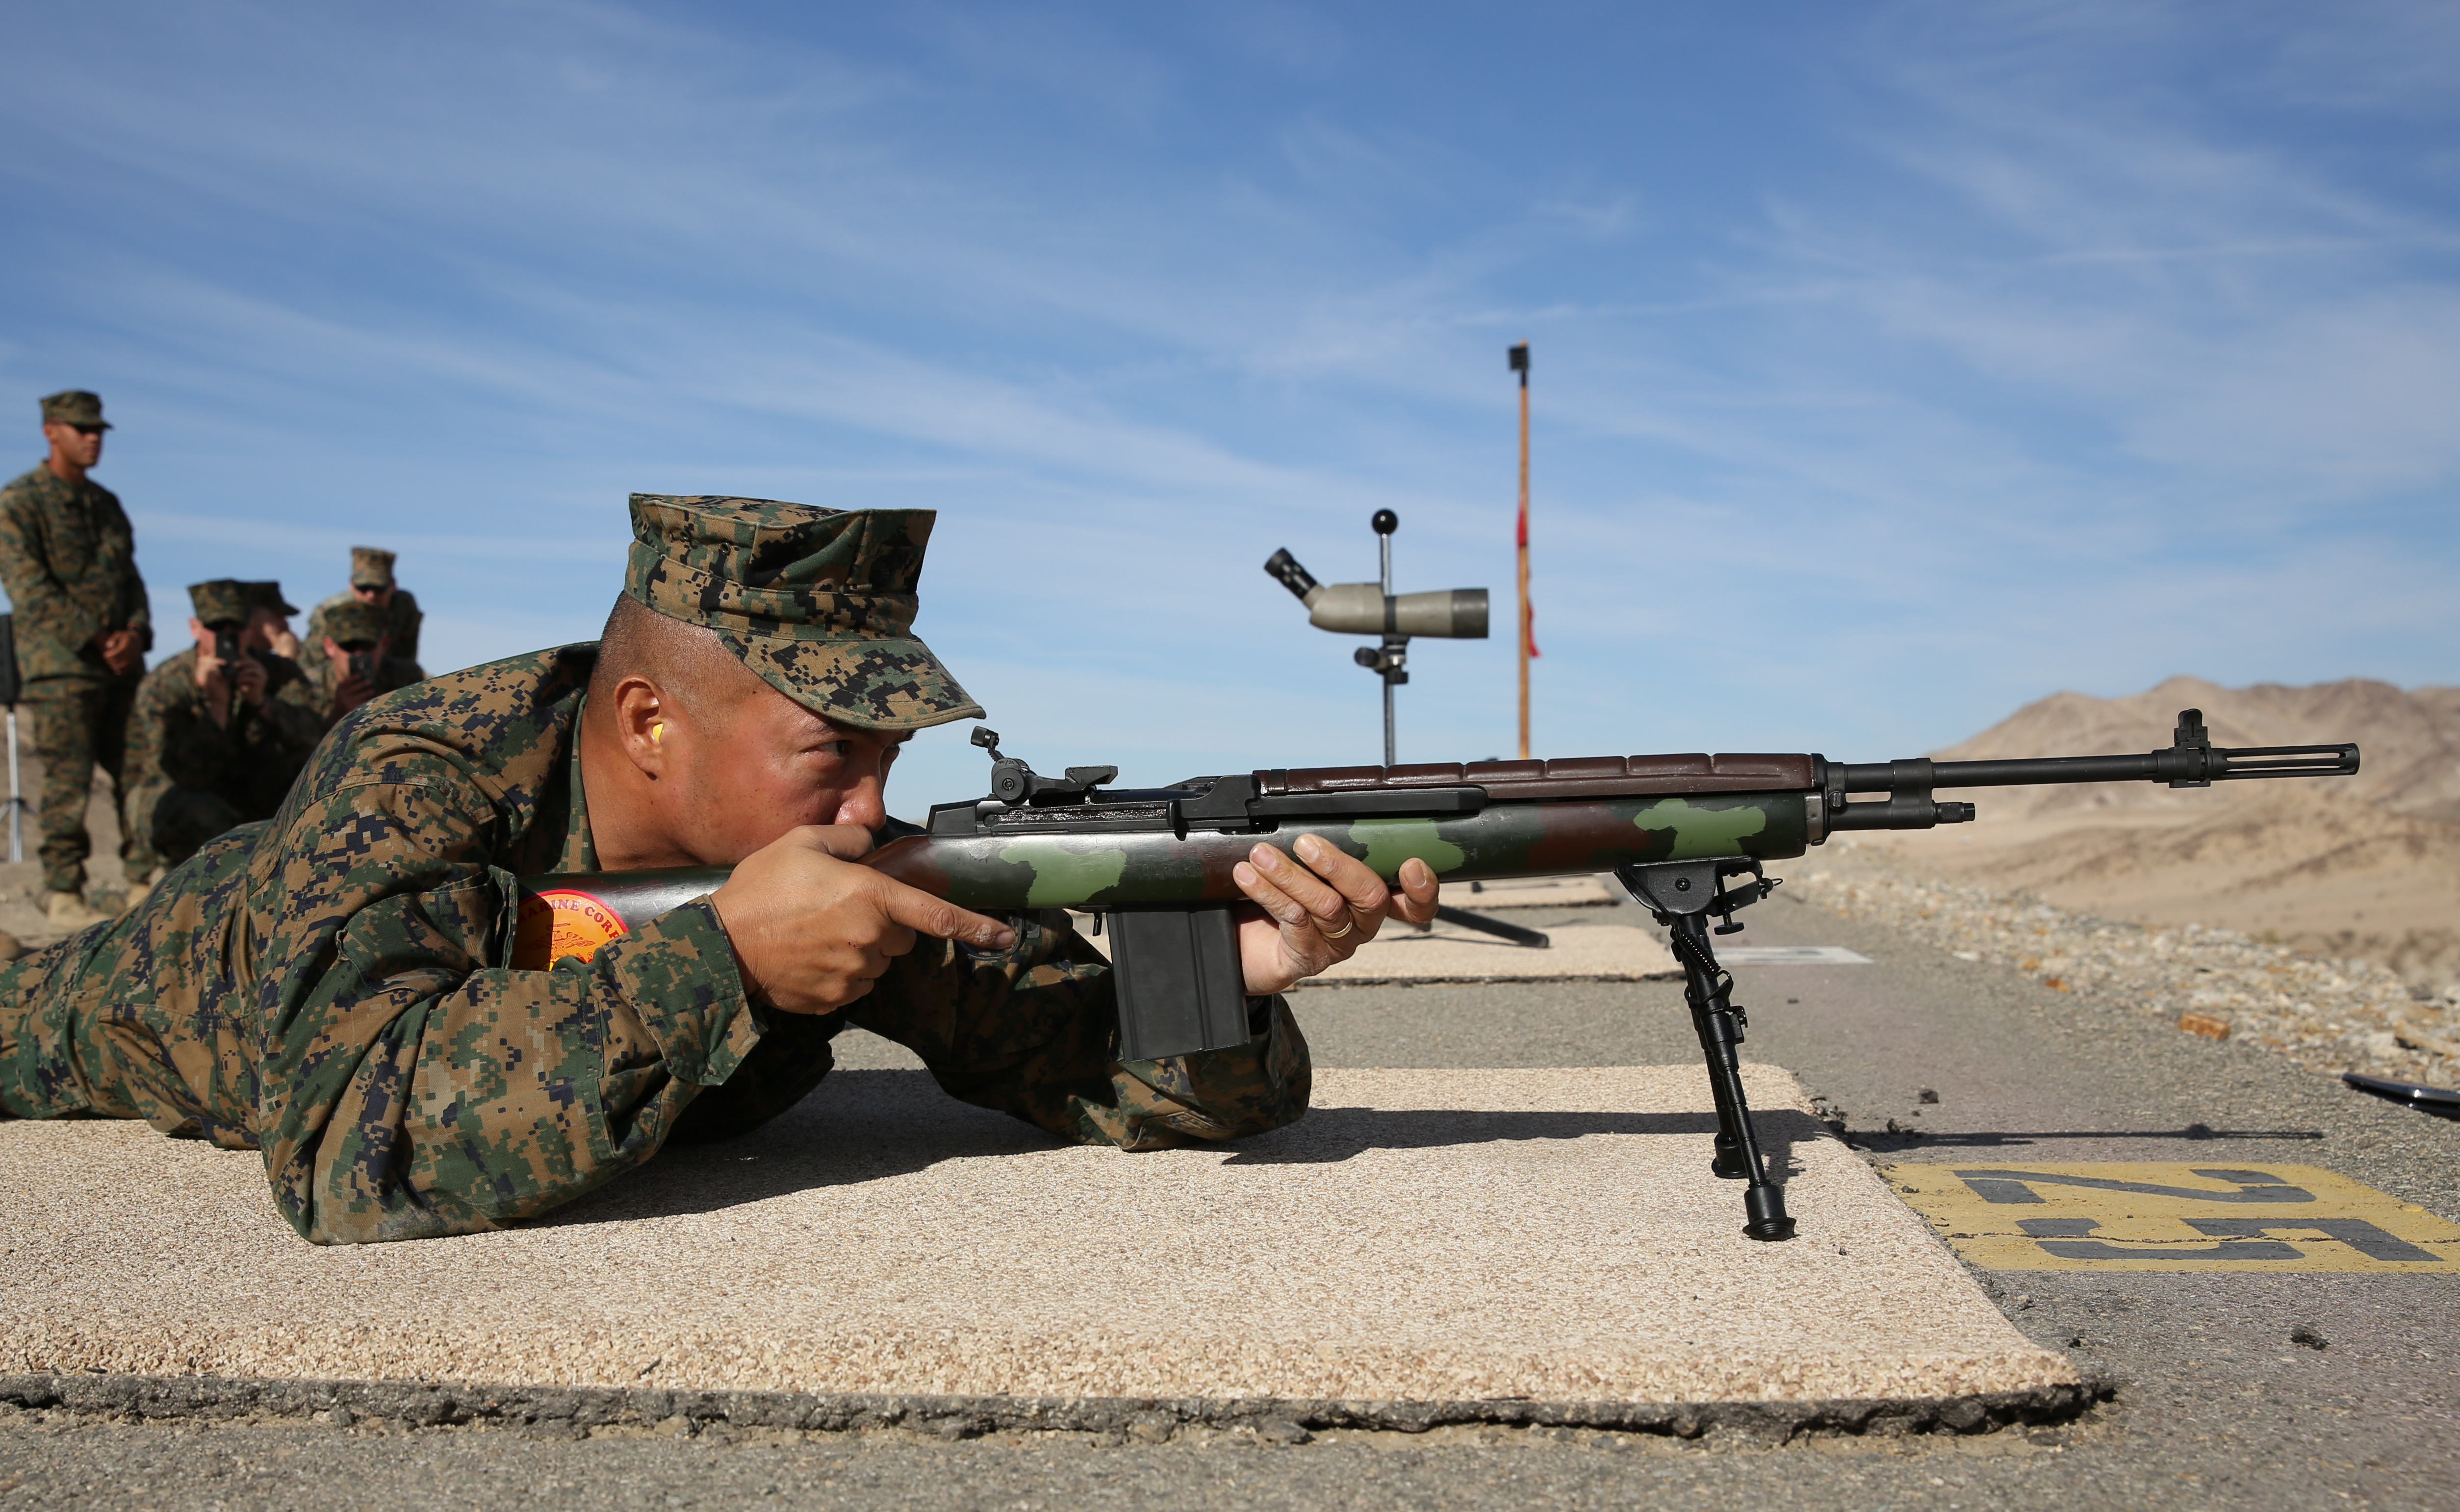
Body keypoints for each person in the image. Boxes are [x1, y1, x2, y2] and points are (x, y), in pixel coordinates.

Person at [0, 495, 1440, 1245]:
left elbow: (1077, 1062)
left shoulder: (839, 847)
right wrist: (727, 960)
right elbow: (338, 1147)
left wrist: (1228, 979)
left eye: (894, 745)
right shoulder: (419, 773)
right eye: (831, 750)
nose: (877, 798)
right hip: (177, 975)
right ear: (648, 721)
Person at [0, 391, 151, 929]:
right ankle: (64, 890)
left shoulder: (107, 505)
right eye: (82, 429)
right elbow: (28, 588)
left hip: (123, 667)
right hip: (61, 665)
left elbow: (131, 580)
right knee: (68, 779)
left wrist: (134, 633)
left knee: (140, 770)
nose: (93, 439)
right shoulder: (19, 502)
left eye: (99, 431)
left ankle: (142, 880)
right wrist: (96, 638)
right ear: (50, 431)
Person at [121, 580, 328, 888]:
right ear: (195, 628)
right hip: (178, 794)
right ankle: (188, 887)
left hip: (248, 790)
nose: (227, 638)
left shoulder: (277, 673)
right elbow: (183, 774)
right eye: (216, 627)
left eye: (237, 627)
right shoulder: (168, 684)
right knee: (202, 813)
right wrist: (216, 710)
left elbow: (317, 738)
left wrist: (264, 705)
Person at [299, 546, 420, 675]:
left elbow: (407, 658)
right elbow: (311, 664)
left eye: (379, 589)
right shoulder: (331, 612)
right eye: (364, 588)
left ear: (393, 586)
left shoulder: (403, 607)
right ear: (352, 585)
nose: (371, 595)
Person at [308, 598, 424, 719]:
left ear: (384, 644)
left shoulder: (407, 679)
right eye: (349, 646)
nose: (359, 654)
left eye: (367, 645)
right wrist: (339, 713)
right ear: (329, 646)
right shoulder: (308, 686)